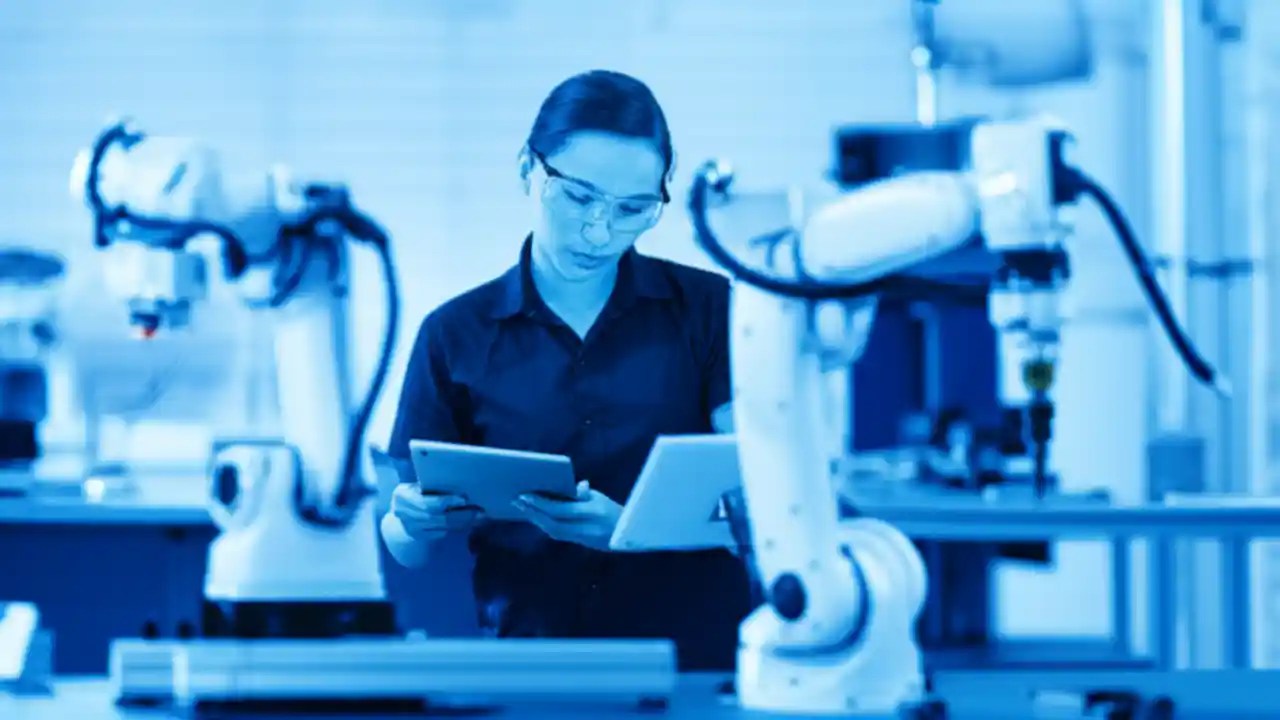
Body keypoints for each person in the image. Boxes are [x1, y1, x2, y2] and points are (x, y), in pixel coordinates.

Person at [380, 69, 754, 671]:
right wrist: (411, 520)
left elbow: (759, 506)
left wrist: (631, 530)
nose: (600, 232)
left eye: (633, 209)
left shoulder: (711, 310)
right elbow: (405, 549)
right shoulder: (453, 333)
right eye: (578, 197)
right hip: (532, 661)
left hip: (693, 661)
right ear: (529, 168)